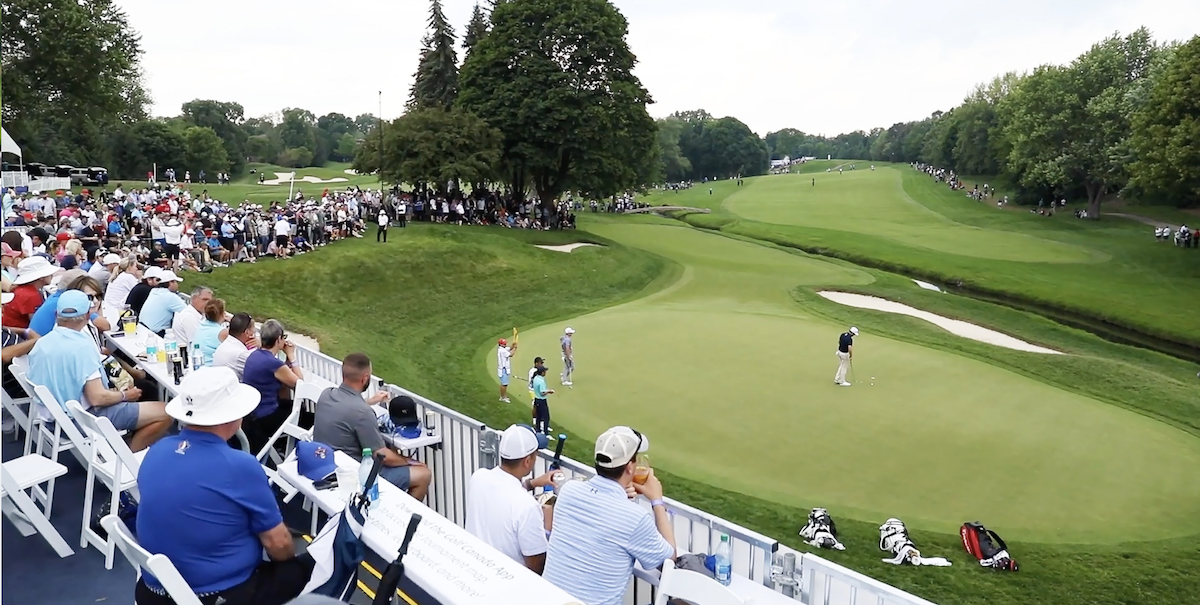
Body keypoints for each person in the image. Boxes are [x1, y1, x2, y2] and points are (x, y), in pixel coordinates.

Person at [136, 367, 316, 605]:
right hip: (216, 594)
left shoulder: (158, 449)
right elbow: (278, 544)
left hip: (154, 590)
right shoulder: (239, 466)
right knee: (312, 568)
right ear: (233, 415)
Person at [543, 426, 676, 604]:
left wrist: (620, 494)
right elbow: (669, 560)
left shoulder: (569, 490)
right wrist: (657, 501)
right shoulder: (634, 518)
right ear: (630, 468)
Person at [28, 291, 170, 451]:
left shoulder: (41, 343)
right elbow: (97, 398)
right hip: (81, 420)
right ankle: (130, 458)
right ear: (88, 315)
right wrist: (125, 396)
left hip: (52, 418)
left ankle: (127, 445)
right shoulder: (83, 347)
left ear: (56, 314)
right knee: (168, 411)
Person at [312, 353, 431, 500]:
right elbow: (382, 456)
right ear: (365, 378)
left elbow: (349, 410)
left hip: (323, 466)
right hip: (353, 476)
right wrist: (408, 460)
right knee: (423, 474)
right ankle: (401, 521)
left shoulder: (326, 394)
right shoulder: (363, 412)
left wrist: (370, 401)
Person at [466, 424, 557, 573]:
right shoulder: (527, 506)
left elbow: (504, 493)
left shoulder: (479, 477)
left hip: (476, 569)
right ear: (527, 461)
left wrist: (532, 483)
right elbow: (538, 567)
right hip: (509, 585)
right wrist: (547, 529)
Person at [241, 319, 304, 453]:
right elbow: (301, 386)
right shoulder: (273, 363)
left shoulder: (254, 356)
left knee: (291, 405)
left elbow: (282, 377)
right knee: (307, 418)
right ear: (278, 339)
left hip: (252, 415)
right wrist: (292, 356)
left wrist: (287, 361)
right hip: (265, 417)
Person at [3, 256, 58, 329]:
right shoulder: (31, 295)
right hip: (19, 336)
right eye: (49, 273)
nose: (52, 275)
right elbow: (37, 325)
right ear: (41, 277)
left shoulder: (23, 290)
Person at [139, 270, 187, 337]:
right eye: (176, 282)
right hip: (157, 334)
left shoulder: (153, 292)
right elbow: (188, 311)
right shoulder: (169, 296)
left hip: (143, 330)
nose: (177, 285)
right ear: (171, 282)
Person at [531, 366, 554, 438]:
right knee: (546, 417)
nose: (546, 372)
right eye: (545, 371)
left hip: (536, 399)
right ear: (542, 373)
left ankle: (538, 430)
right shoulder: (541, 381)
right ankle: (545, 433)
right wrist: (549, 391)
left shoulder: (535, 378)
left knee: (538, 416)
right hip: (542, 400)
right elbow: (542, 392)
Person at [497, 338, 516, 403]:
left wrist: (513, 345)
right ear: (501, 344)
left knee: (504, 384)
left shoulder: (502, 349)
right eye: (504, 344)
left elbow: (509, 348)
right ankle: (503, 397)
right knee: (504, 384)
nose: (505, 344)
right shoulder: (502, 351)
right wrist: (515, 349)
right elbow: (511, 354)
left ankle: (503, 396)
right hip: (503, 369)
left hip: (504, 369)